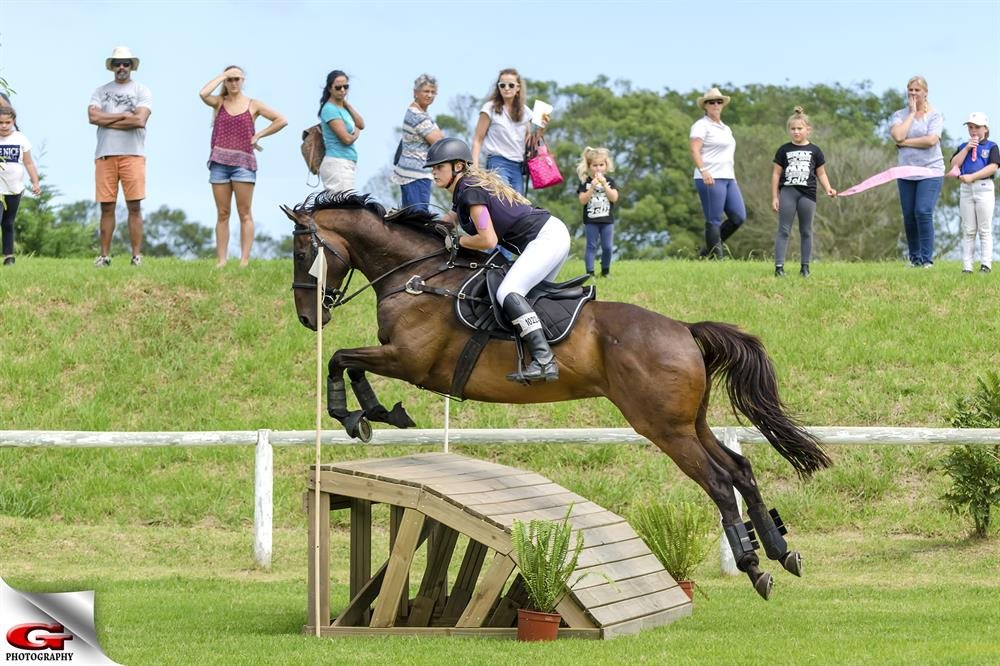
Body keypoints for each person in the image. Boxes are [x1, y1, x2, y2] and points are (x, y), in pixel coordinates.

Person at [425, 137, 570, 383]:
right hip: (551, 235)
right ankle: (541, 353)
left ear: (458, 167)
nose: (434, 173)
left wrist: (457, 242)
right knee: (526, 299)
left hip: (547, 239)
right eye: (433, 168)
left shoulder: (470, 191)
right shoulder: (464, 191)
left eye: (439, 167)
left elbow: (488, 240)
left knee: (508, 292)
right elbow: (449, 219)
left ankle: (545, 360)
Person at [199, 65, 287, 267]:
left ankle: (244, 260)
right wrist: (221, 75)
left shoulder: (253, 104)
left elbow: (281, 120)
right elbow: (203, 94)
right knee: (222, 213)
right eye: (229, 80)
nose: (233, 83)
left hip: (243, 165)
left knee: (244, 213)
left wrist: (258, 135)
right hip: (219, 163)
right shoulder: (219, 102)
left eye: (236, 79)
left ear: (243, 80)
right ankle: (221, 260)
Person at [88, 46, 152, 267]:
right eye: (117, 63)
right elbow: (92, 116)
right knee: (107, 207)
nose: (121, 67)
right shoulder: (100, 90)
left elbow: (139, 121)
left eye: (125, 63)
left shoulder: (142, 90)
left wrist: (108, 118)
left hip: (133, 155)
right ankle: (104, 256)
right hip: (105, 155)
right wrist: (125, 115)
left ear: (132, 66)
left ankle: (136, 256)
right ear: (112, 67)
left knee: (134, 206)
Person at [770, 107, 837, 278]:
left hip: (808, 194)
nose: (796, 132)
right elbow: (776, 174)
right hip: (788, 192)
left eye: (799, 128)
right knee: (783, 230)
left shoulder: (815, 150)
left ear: (808, 130)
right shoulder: (784, 150)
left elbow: (821, 173)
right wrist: (774, 196)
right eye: (792, 129)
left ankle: (805, 268)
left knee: (806, 230)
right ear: (789, 131)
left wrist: (828, 188)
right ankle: (779, 268)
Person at [889, 76, 944, 268]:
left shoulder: (935, 115)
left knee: (923, 211)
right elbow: (897, 134)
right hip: (906, 172)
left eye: (917, 90)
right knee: (909, 215)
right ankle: (915, 260)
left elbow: (931, 141)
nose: (913, 93)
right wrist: (911, 113)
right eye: (910, 90)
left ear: (925, 92)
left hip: (931, 171)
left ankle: (927, 260)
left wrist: (904, 144)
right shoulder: (899, 115)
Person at [689, 87, 746, 259]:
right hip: (710, 178)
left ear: (722, 105)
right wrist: (704, 170)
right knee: (714, 219)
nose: (715, 104)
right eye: (711, 102)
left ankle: (706, 252)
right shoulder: (701, 126)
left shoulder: (725, 128)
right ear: (705, 106)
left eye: (718, 101)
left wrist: (733, 177)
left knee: (738, 217)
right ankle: (716, 258)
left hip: (728, 178)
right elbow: (694, 150)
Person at [471, 68, 540, 195]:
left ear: (518, 87)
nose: (506, 88)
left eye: (511, 85)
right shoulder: (489, 108)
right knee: (503, 199)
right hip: (497, 162)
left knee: (518, 206)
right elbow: (478, 139)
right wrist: (474, 168)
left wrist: (542, 127)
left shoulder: (526, 112)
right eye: (502, 85)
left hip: (518, 166)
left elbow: (530, 142)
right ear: (498, 87)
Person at [950, 112, 998, 274]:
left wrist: (973, 176)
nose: (973, 130)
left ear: (985, 128)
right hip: (966, 190)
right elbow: (954, 164)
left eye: (977, 127)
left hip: (984, 187)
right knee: (969, 229)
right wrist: (968, 148)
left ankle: (985, 265)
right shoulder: (963, 146)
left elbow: (993, 166)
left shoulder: (991, 146)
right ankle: (967, 267)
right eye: (970, 127)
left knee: (984, 228)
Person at [391, 74, 445, 213]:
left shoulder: (422, 113)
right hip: (415, 174)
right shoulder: (416, 115)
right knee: (418, 218)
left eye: (433, 92)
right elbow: (438, 142)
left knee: (413, 220)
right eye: (426, 91)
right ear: (415, 92)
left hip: (416, 173)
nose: (430, 95)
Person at [0, 106, 41, 266]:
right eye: (0, 122)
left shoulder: (20, 138)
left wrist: (35, 182)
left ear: (13, 121)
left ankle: (9, 257)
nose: (3, 126)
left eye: (7, 122)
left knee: (8, 223)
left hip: (14, 188)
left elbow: (29, 163)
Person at [317, 70, 364, 193]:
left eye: (346, 87)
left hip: (346, 162)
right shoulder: (329, 109)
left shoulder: (342, 107)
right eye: (338, 87)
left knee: (346, 205)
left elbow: (361, 124)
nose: (343, 90)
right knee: (345, 207)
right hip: (337, 163)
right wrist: (356, 133)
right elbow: (347, 139)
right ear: (330, 89)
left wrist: (346, 104)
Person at [576, 146, 619, 277]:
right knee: (591, 246)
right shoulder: (585, 182)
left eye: (601, 165)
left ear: (606, 166)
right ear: (589, 167)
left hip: (607, 220)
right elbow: (582, 200)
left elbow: (614, 198)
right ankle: (590, 273)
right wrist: (592, 187)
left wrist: (605, 185)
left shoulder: (610, 182)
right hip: (591, 221)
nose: (598, 168)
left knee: (607, 247)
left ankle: (605, 271)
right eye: (595, 165)